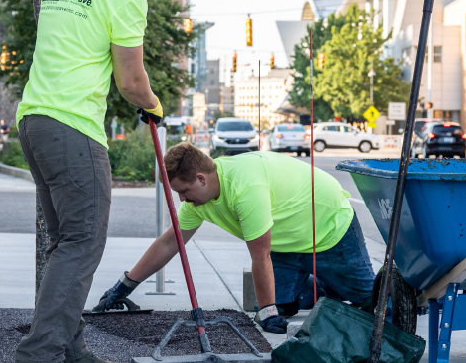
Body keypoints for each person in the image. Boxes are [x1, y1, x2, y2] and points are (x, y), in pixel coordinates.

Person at [13, 0, 174, 363]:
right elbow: (130, 81)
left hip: (34, 120)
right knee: (84, 241)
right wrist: (154, 105)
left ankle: (66, 345)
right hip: (73, 126)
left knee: (65, 243)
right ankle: (42, 350)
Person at [92, 143, 376, 334]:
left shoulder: (244, 188)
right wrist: (125, 285)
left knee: (369, 301)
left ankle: (340, 283)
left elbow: (259, 256)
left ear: (201, 179)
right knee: (286, 305)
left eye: (183, 190)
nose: (182, 199)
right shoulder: (197, 201)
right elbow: (170, 242)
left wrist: (265, 312)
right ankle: (326, 285)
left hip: (327, 229)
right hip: (284, 242)